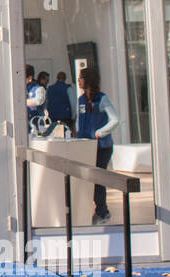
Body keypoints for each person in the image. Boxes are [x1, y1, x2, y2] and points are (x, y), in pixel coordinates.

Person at [75, 67, 119, 224]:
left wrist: (100, 133)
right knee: (88, 179)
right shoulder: (81, 100)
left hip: (101, 147)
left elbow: (115, 119)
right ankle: (93, 209)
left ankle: (102, 211)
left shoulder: (102, 99)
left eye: (81, 78)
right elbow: (79, 121)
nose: (79, 80)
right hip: (85, 146)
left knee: (97, 180)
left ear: (89, 80)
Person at [44, 70, 76, 135]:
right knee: (66, 136)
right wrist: (73, 116)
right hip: (65, 118)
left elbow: (46, 103)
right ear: (65, 78)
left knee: (54, 137)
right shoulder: (68, 88)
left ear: (57, 78)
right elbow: (73, 103)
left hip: (52, 117)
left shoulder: (49, 88)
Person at [24, 64, 47, 133]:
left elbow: (39, 100)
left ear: (30, 78)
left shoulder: (38, 88)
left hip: (36, 128)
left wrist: (22, 102)